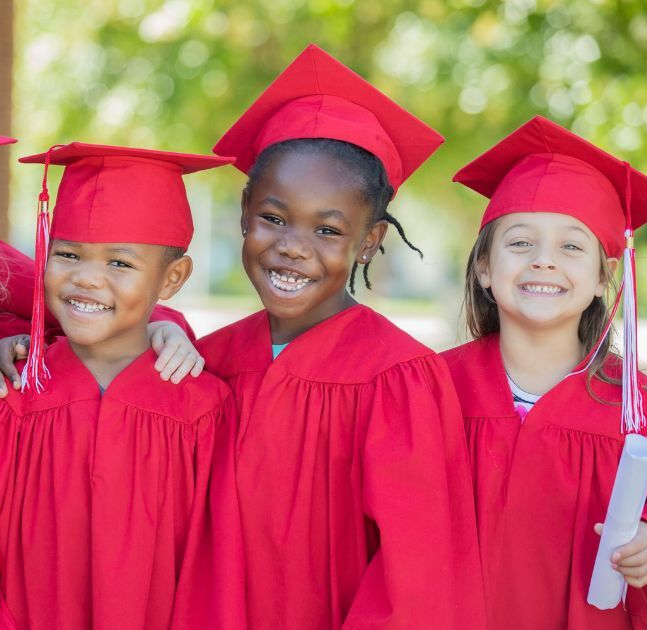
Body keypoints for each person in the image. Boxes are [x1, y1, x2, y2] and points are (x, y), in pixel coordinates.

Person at [0, 143, 237, 629]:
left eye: (120, 264)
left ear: (172, 278)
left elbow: (219, 572)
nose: (86, 279)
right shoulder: (7, 402)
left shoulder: (204, 414)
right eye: (67, 254)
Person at [191, 44, 485, 628]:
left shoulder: (398, 378)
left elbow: (417, 577)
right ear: (244, 211)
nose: (293, 246)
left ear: (371, 241)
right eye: (274, 217)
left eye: (328, 229)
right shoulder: (207, 361)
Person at [444, 115, 647, 628]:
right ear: (484, 268)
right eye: (520, 243)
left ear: (602, 276)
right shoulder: (429, 391)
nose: (544, 262)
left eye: (571, 246)